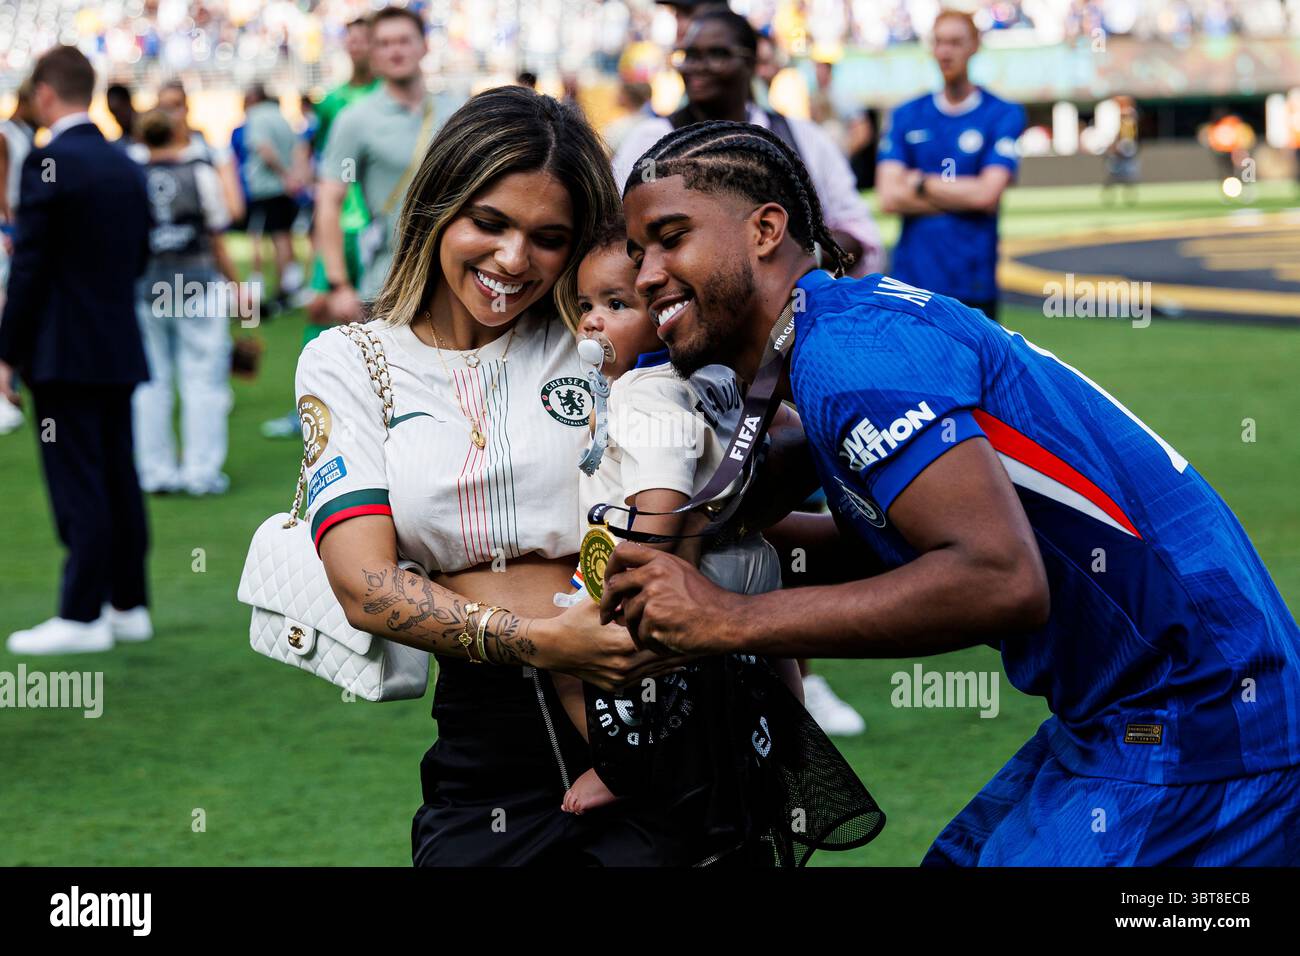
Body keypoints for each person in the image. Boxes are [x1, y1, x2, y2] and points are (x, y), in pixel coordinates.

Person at [599, 119, 1300, 865]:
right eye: (639, 252)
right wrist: (715, 547)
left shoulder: (848, 357)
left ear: (767, 228)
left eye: (671, 237)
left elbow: (996, 577)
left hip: (1202, 720)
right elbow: (915, 542)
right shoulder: (845, 326)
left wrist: (728, 619)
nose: (646, 275)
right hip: (1146, 709)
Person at [298, 85, 708, 866]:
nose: (513, 260)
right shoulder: (351, 360)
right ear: (436, 207)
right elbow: (364, 584)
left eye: (548, 237)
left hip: (650, 690)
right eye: (488, 223)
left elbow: (706, 455)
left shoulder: (601, 330)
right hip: (487, 733)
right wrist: (547, 642)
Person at [0, 46, 154, 654]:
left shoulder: (48, 161)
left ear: (44, 93)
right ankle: (128, 603)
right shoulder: (126, 162)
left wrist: (6, 352)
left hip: (63, 350)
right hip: (115, 342)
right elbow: (140, 258)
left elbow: (31, 269)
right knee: (118, 475)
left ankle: (81, 614)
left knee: (78, 482)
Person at [612, 9, 882, 278]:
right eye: (689, 56)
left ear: (751, 62)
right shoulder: (649, 141)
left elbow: (857, 233)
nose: (698, 66)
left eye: (717, 54)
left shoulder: (801, 138)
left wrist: (799, 258)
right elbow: (616, 234)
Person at [262, 16, 380, 440]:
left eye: (363, 40)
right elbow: (309, 142)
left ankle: (373, 404)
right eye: (350, 40)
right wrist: (300, 173)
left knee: (377, 313)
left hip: (376, 224)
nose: (356, 47)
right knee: (318, 307)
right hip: (336, 219)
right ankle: (308, 408)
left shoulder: (388, 99)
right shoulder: (333, 99)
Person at [874, 9, 1025, 322]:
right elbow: (888, 197)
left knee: (977, 372)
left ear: (975, 46)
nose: (945, 52)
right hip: (912, 284)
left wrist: (921, 184)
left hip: (973, 281)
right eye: (939, 42)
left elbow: (988, 194)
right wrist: (965, 195)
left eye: (955, 42)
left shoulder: (1002, 113)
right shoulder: (907, 115)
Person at [131, 108, 239, 496]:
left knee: (150, 380)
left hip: (148, 285)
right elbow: (217, 232)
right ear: (179, 134)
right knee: (203, 380)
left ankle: (155, 471)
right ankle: (200, 471)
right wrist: (237, 283)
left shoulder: (131, 176)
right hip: (196, 283)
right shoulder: (200, 172)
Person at [317, 5, 440, 323]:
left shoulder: (456, 110)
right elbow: (331, 198)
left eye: (403, 40)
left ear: (424, 45)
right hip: (388, 281)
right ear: (371, 53)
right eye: (384, 43)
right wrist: (339, 283)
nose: (395, 50)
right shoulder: (355, 120)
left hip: (455, 280)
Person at [241, 83, 306, 309]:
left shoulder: (257, 117)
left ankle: (265, 290)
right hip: (283, 189)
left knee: (259, 237)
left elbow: (265, 150)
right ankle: (286, 289)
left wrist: (285, 175)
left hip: (266, 188)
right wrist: (295, 176)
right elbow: (299, 148)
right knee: (283, 237)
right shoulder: (282, 117)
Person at [0, 77, 37, 434]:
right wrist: (9, 226)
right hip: (10, 229)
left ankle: (12, 378)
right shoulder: (7, 135)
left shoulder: (24, 134)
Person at [105, 83, 137, 151]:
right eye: (113, 112)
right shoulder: (118, 145)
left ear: (128, 103)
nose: (116, 116)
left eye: (119, 110)